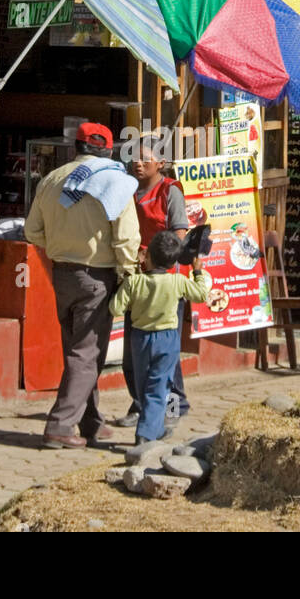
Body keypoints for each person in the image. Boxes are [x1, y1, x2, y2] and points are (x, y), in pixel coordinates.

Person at [25, 122, 140, 450]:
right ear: (108, 149)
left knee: (78, 351)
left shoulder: (52, 180)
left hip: (62, 274)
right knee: (87, 354)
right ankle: (60, 426)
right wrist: (129, 274)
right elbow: (127, 238)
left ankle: (91, 422)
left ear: (76, 147)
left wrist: (61, 245)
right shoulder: (116, 181)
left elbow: (32, 232)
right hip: (97, 277)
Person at [109, 231, 210, 445]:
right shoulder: (177, 281)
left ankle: (159, 426)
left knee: (146, 386)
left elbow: (115, 307)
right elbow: (201, 294)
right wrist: (198, 271)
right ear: (174, 262)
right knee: (161, 386)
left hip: (140, 340)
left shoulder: (134, 282)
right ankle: (146, 434)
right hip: (167, 339)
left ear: (147, 256)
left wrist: (132, 274)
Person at [115, 144, 191, 429]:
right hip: (136, 280)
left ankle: (170, 408)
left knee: (165, 350)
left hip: (164, 281)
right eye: (134, 157)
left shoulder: (170, 191)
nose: (138, 162)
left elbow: (178, 237)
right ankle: (142, 403)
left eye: (145, 158)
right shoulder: (128, 191)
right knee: (135, 351)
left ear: (161, 163)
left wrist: (153, 257)